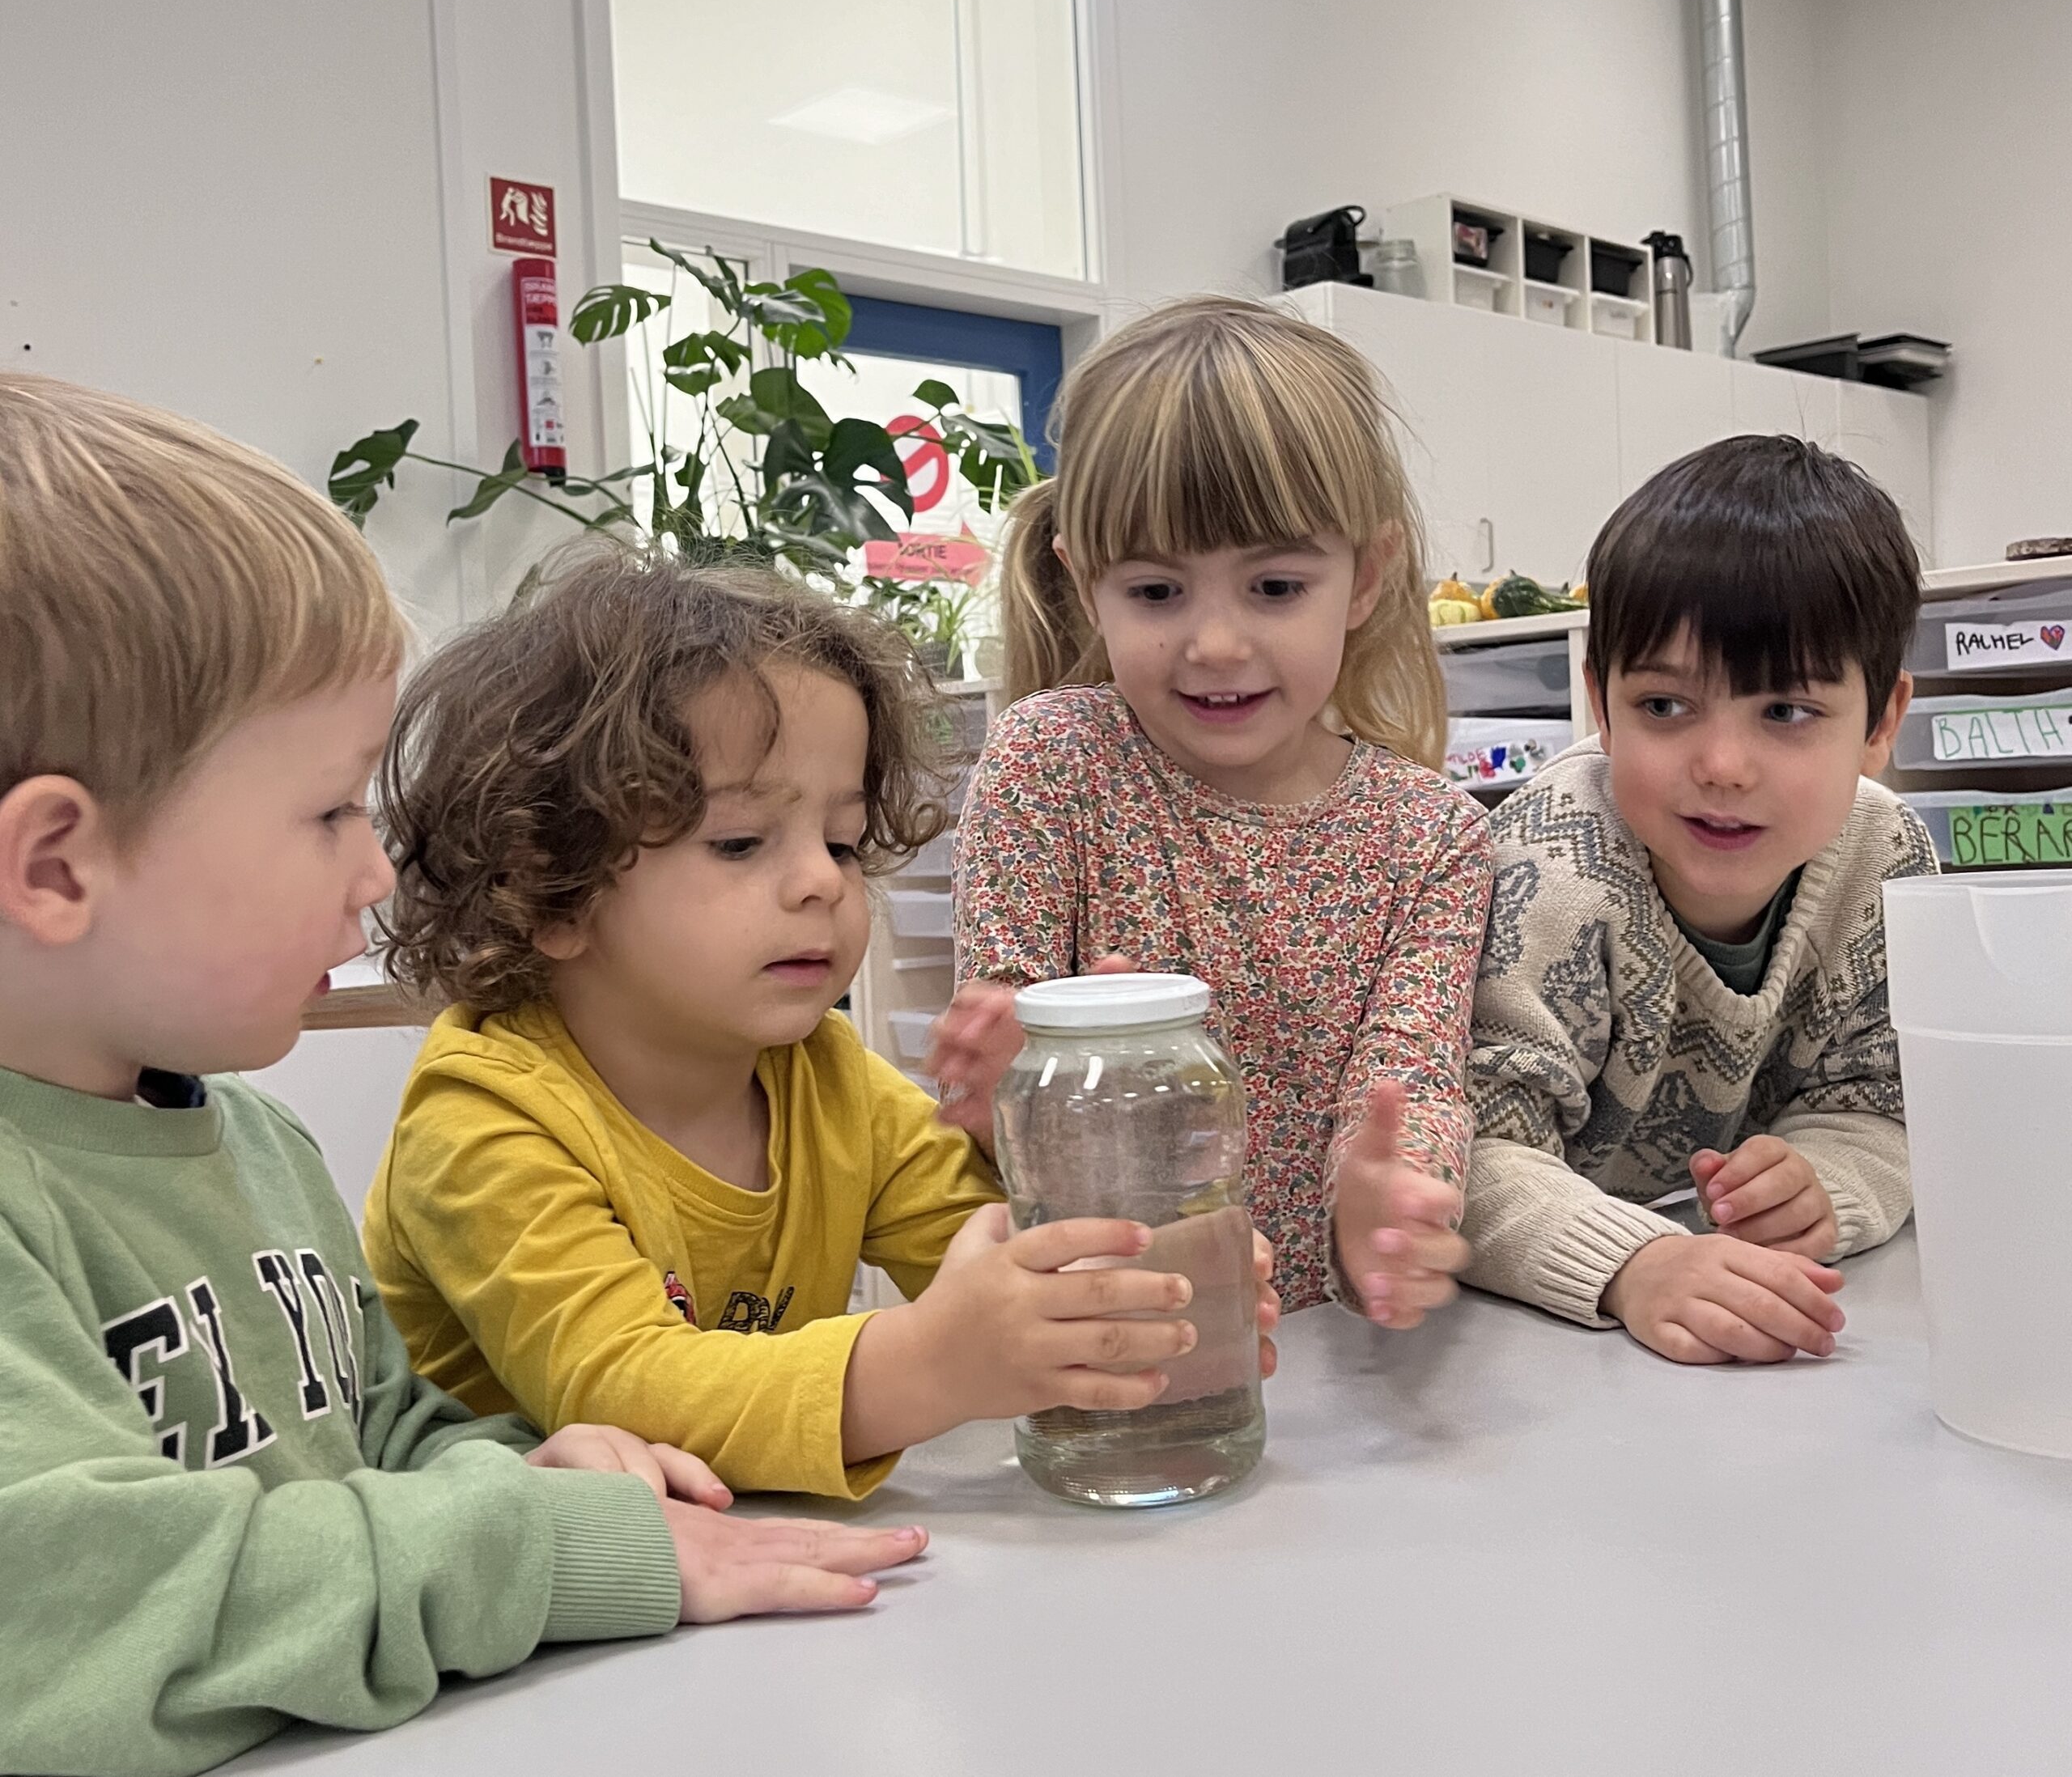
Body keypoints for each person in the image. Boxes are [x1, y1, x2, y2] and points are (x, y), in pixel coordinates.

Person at [0, 375, 926, 1777]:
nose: (374, 871)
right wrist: (537, 1548)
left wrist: (510, 1476)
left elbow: (377, 1433)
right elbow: (82, 1625)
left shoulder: (252, 1144)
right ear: (58, 864)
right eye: (325, 812)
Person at [364, 544, 1278, 1503]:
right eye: (739, 841)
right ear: (548, 887)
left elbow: (975, 1246)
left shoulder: (823, 1074)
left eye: (841, 841)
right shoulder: (482, 1122)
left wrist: (1144, 1289)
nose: (822, 884)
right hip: (536, 1604)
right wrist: (929, 1364)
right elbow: (622, 1390)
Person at [931, 295, 1488, 1319]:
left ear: (1365, 577)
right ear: (1084, 581)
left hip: (1333, 1349)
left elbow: (1413, 1077)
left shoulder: (1432, 835)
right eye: (1155, 593)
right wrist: (1004, 1085)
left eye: (1274, 588)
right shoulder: (1054, 765)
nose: (1217, 644)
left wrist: (1395, 1198)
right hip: (1110, 1340)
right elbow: (1005, 1079)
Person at [1463, 435, 1935, 1363]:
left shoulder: (1885, 856)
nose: (1720, 767)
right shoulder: (1553, 864)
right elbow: (1470, 1149)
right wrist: (1631, 1264)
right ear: (1600, 700)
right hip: (1535, 1348)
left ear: (1880, 723)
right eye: (1665, 708)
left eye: (1786, 713)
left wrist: (1820, 1186)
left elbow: (1887, 1105)